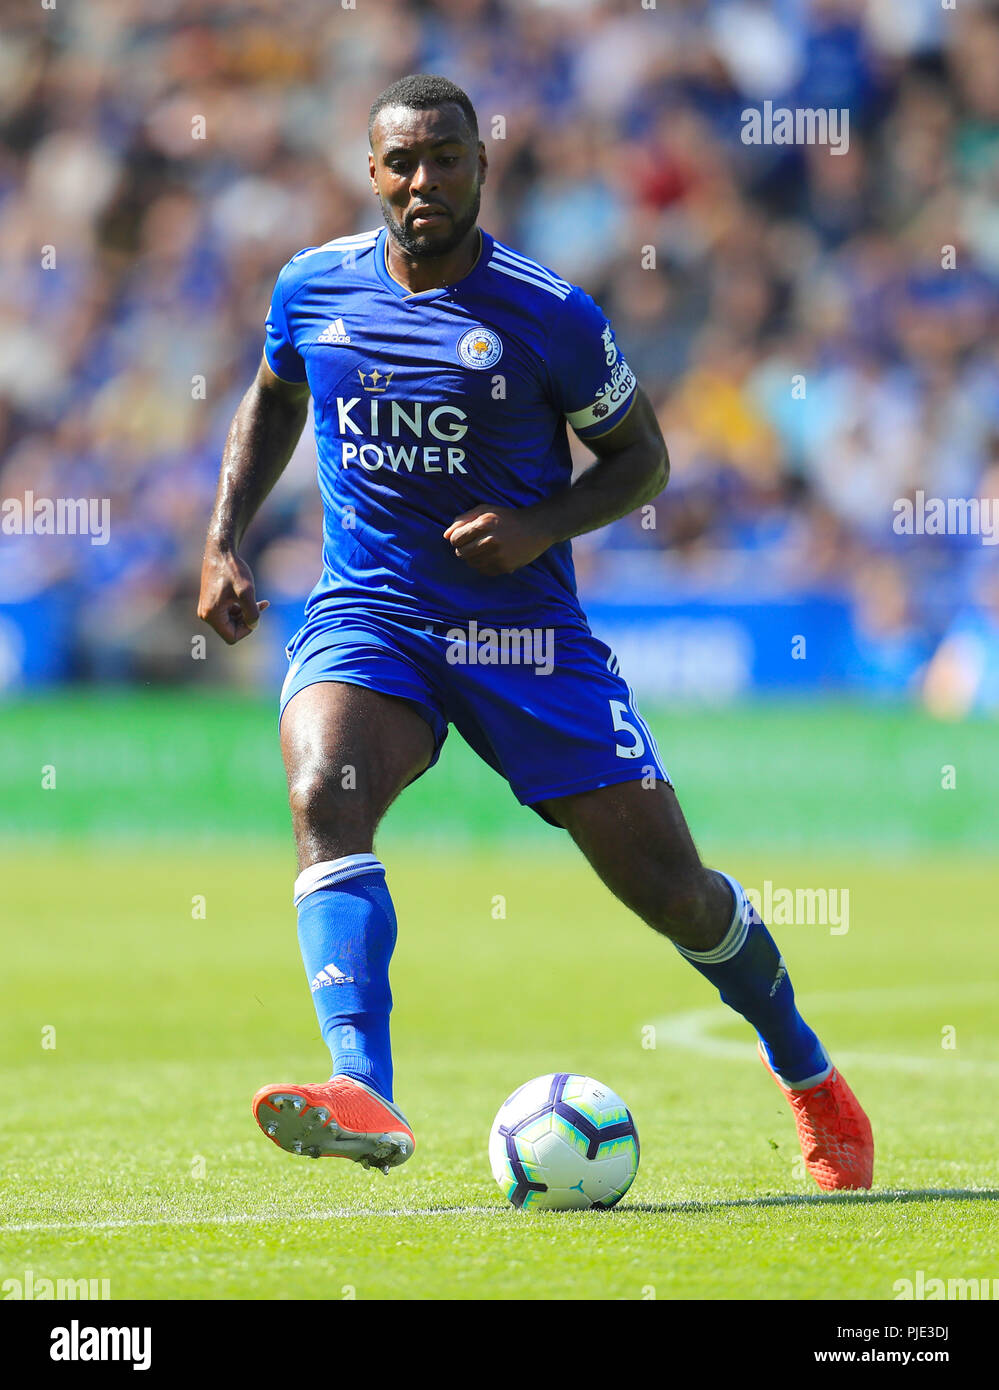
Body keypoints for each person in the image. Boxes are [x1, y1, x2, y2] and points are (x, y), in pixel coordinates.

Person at [197, 74, 872, 1190]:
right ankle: (362, 1083)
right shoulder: (312, 287)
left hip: (526, 639)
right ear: (372, 172)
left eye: (446, 158)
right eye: (403, 162)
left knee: (676, 893)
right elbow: (276, 394)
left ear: (480, 166)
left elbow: (643, 460)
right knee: (325, 792)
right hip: (374, 615)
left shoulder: (549, 313)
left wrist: (534, 527)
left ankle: (807, 1070)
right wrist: (222, 539)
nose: (424, 181)